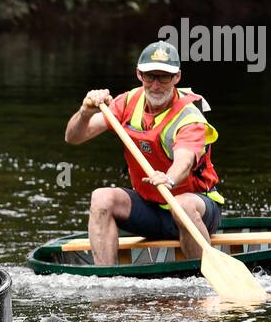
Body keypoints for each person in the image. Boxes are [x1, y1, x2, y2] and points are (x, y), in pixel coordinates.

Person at [64, 40, 223, 265]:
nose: (156, 85)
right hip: (151, 210)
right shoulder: (128, 101)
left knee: (183, 206)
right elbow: (73, 137)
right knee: (101, 197)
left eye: (164, 77)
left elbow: (184, 162)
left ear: (177, 77)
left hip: (196, 209)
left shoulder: (190, 118)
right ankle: (106, 282)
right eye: (150, 76)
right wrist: (84, 112)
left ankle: (201, 277)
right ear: (139, 74)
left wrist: (169, 178)